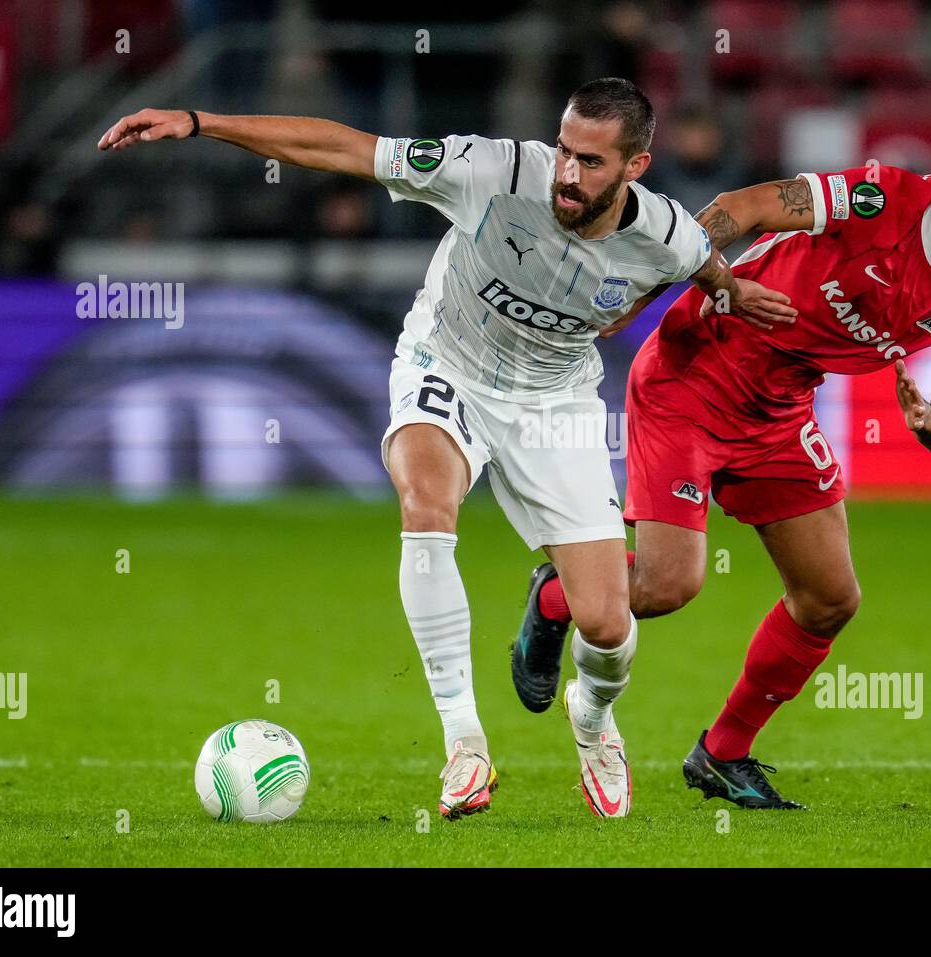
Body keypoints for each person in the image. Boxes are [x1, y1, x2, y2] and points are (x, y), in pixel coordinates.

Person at [97, 78, 795, 819]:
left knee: (607, 623)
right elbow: (346, 148)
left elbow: (697, 264)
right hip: (446, 363)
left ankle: (592, 719)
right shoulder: (489, 171)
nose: (566, 173)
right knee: (426, 502)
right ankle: (464, 743)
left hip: (552, 404)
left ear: (636, 167)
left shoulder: (668, 233)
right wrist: (202, 120)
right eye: (563, 151)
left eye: (591, 162)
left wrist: (733, 289)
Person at [513, 100, 931, 809]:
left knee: (830, 598)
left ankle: (723, 752)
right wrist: (652, 281)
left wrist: (930, 420)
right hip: (694, 373)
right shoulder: (877, 196)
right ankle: (554, 595)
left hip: (780, 408)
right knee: (668, 586)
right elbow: (748, 205)